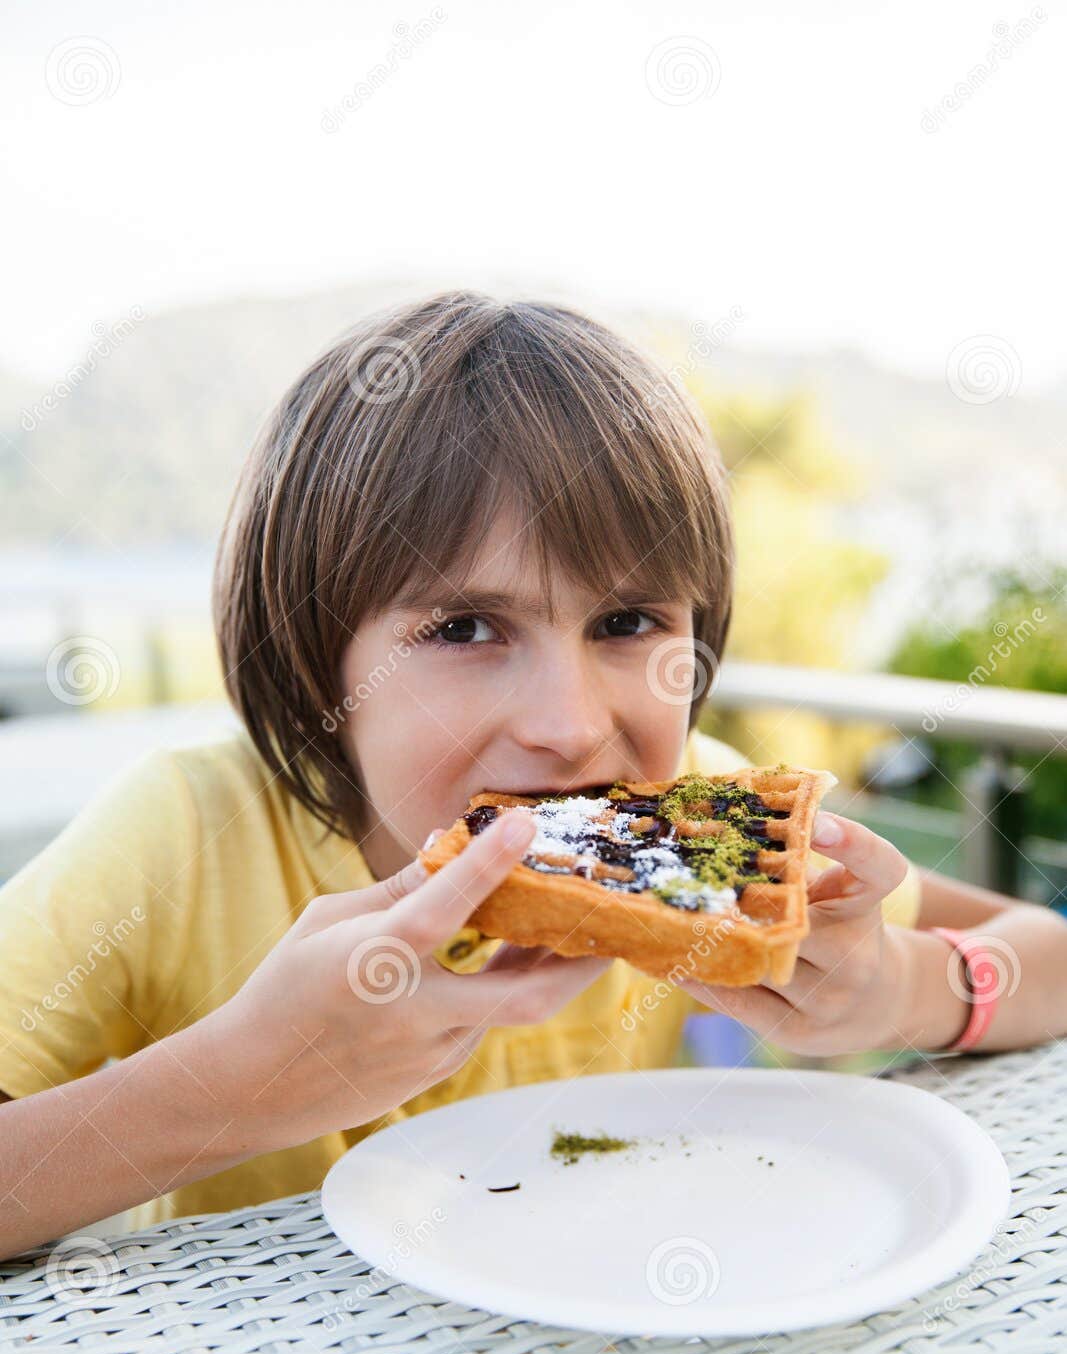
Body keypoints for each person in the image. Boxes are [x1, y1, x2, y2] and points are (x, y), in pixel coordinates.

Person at [1, 291, 1064, 1255]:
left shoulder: (702, 822)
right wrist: (235, 1085)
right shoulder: (187, 834)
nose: (566, 725)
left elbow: (1043, 958)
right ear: (311, 652)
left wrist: (902, 988)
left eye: (626, 621)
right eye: (464, 626)